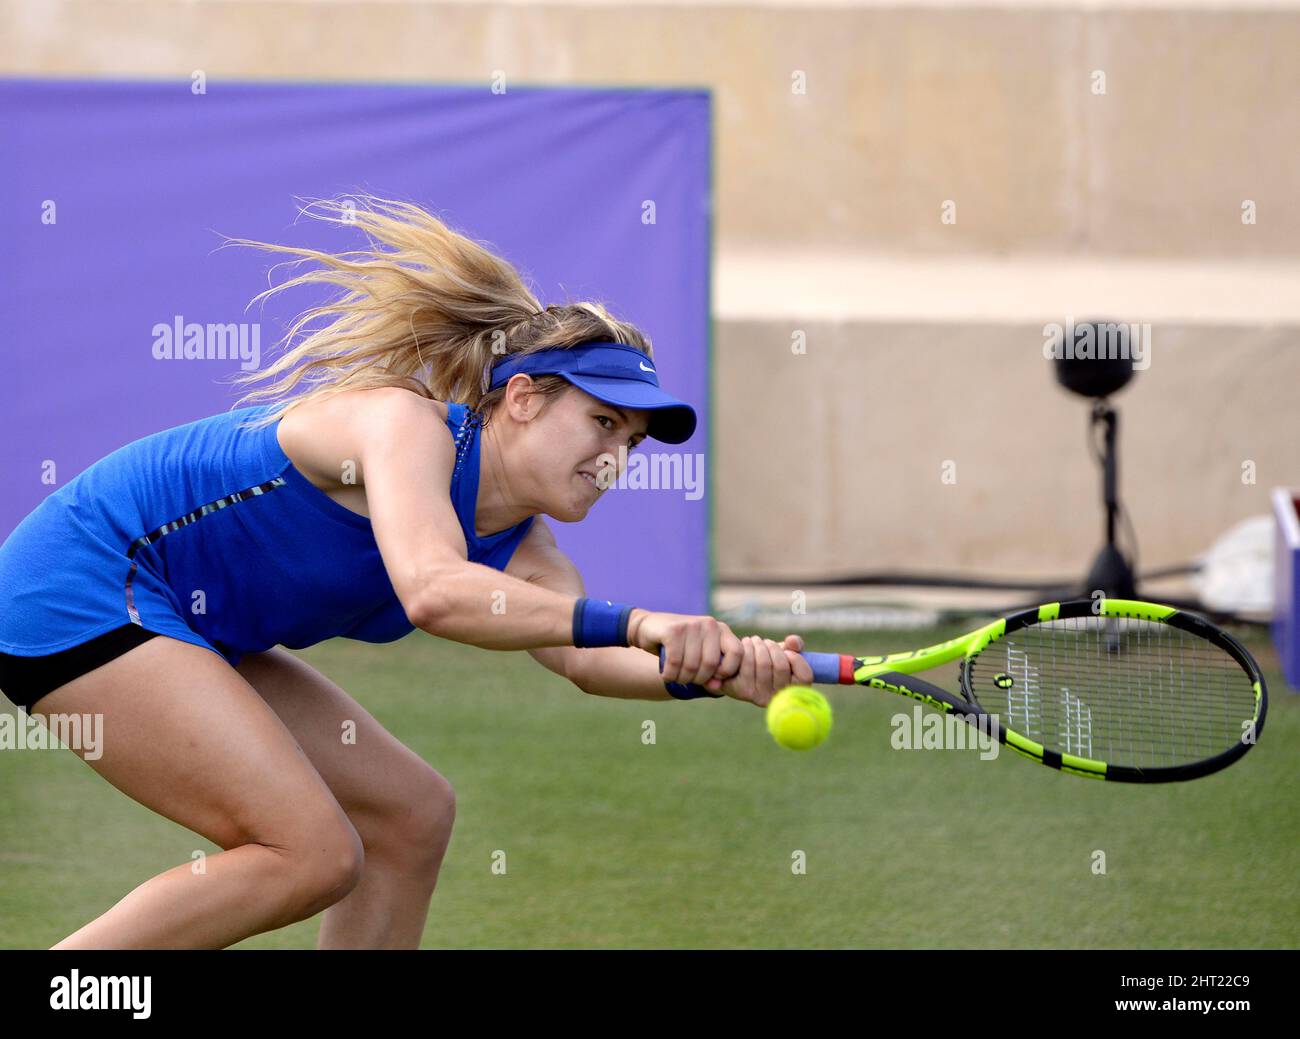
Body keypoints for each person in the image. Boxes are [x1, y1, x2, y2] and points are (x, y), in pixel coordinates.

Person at [0, 195, 812, 950]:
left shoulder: (527, 549)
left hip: (185, 619)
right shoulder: (402, 427)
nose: (615, 459)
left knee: (411, 815)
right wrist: (642, 622)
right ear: (522, 398)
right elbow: (433, 590)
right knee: (311, 853)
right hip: (86, 580)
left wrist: (706, 669)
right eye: (602, 422)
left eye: (630, 442)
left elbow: (585, 658)